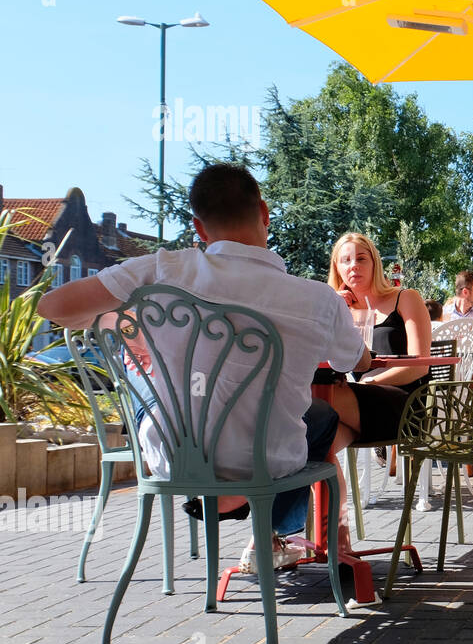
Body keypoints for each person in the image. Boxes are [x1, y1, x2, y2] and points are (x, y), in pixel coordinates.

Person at [36, 164, 369, 573]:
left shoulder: (162, 270)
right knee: (319, 417)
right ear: (264, 212)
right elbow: (354, 362)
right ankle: (276, 529)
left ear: (199, 227)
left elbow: (53, 308)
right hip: (269, 458)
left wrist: (127, 322)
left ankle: (231, 499)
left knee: (145, 377)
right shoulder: (319, 298)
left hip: (174, 454)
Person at [326, 233, 433, 465]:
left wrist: (369, 383)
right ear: (337, 268)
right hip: (358, 402)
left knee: (315, 399)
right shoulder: (339, 308)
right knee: (316, 450)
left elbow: (421, 366)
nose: (353, 265)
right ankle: (333, 503)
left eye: (361, 259)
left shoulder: (405, 298)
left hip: (407, 404)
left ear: (375, 263)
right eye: (346, 260)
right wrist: (331, 308)